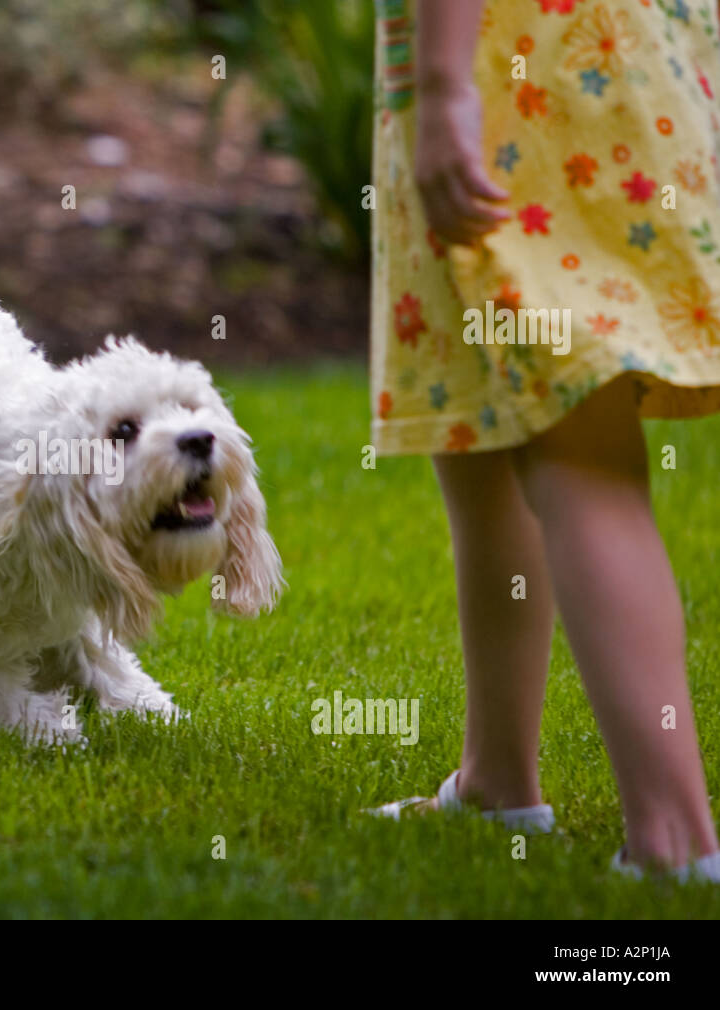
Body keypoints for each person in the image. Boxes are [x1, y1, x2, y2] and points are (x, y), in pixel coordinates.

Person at [369, 0, 720, 879]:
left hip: (521, 73)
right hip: (614, 65)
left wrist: (447, 85)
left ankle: (674, 842)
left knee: (573, 439)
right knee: (487, 419)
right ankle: (497, 778)